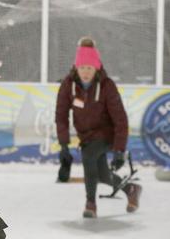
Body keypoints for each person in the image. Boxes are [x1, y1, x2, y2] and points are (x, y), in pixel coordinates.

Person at [55, 37, 141, 218]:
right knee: (101, 174)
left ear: (97, 68)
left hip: (106, 134)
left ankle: (90, 203)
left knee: (88, 156)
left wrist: (119, 150)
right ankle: (131, 189)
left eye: (89, 68)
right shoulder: (68, 85)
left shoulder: (106, 86)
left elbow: (120, 119)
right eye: (82, 68)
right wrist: (63, 146)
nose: (86, 72)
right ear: (76, 68)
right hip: (86, 137)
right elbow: (61, 116)